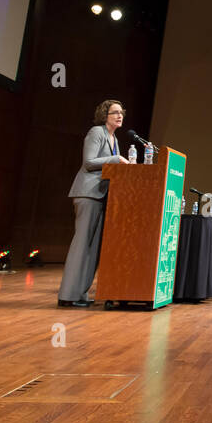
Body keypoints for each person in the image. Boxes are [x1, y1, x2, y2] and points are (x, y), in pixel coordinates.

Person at [57, 99, 134, 307]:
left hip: (101, 196)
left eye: (121, 113)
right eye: (115, 112)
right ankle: (67, 296)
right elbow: (89, 162)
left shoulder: (114, 138)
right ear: (104, 116)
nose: (120, 116)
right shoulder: (96, 132)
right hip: (88, 194)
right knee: (82, 244)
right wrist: (117, 159)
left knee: (93, 248)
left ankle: (80, 294)